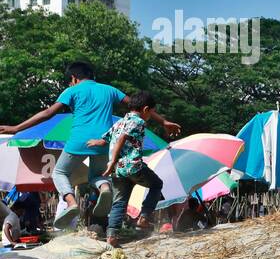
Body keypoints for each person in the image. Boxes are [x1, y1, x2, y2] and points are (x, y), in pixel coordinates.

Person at [0, 62, 180, 230]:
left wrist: (16, 128)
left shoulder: (73, 91)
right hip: (104, 142)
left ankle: (71, 203)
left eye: (71, 81)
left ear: (74, 78)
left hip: (78, 142)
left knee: (60, 173)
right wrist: (163, 122)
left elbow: (48, 113)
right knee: (96, 175)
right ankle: (105, 188)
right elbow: (139, 106)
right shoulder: (109, 90)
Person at [91, 91, 170, 247]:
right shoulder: (138, 121)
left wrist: (95, 142)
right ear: (146, 109)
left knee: (119, 202)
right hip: (132, 166)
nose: (151, 115)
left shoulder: (119, 122)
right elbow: (122, 138)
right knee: (156, 184)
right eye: (152, 112)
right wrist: (112, 160)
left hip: (118, 172)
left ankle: (112, 236)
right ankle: (144, 217)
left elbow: (104, 140)